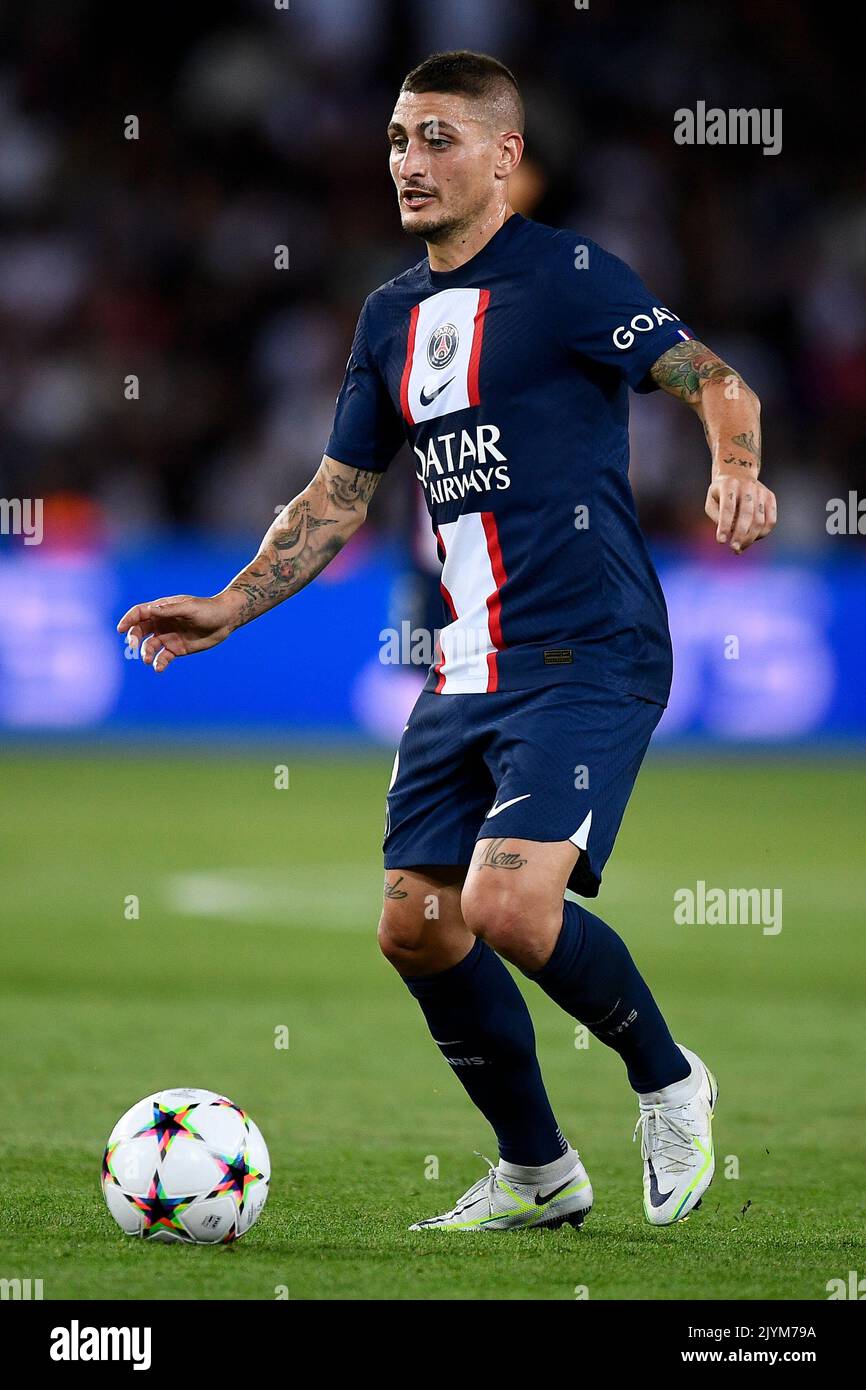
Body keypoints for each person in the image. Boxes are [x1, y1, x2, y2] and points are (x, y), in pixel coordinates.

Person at [118, 50, 777, 1232]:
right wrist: (226, 602)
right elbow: (333, 494)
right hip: (461, 664)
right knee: (416, 927)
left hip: (588, 646)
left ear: (502, 155)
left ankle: (669, 1078)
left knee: (513, 906)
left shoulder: (569, 275)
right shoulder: (387, 316)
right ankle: (536, 1173)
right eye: (394, 140)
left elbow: (714, 378)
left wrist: (734, 468)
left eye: (436, 139)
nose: (407, 163)